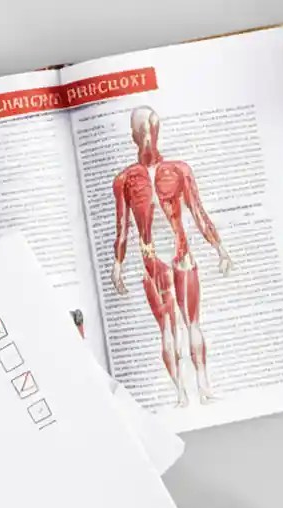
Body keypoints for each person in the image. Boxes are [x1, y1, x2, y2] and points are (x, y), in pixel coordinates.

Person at [110, 106, 232, 406]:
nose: (149, 137)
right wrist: (118, 265)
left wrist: (220, 248)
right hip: (158, 259)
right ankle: (185, 391)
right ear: (137, 136)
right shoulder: (127, 179)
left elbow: (197, 211)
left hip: (173, 255)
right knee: (172, 326)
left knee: (186, 324)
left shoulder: (174, 171)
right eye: (145, 131)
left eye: (150, 129)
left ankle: (198, 388)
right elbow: (123, 227)